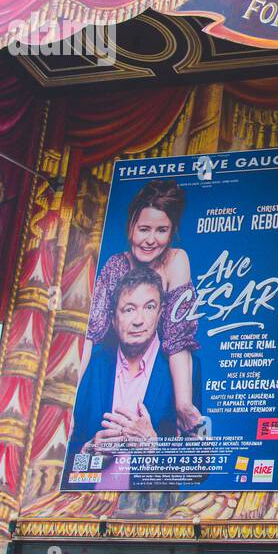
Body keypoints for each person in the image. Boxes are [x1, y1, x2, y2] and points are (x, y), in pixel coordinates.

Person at [86, 180, 203, 432]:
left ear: (172, 232)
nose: (151, 240)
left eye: (161, 230)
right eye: (144, 229)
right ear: (131, 227)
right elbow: (90, 333)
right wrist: (69, 400)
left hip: (159, 375)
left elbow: (177, 336)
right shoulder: (115, 265)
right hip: (115, 371)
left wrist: (184, 404)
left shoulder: (176, 260)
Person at [66, 266, 178, 489]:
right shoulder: (91, 364)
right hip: (85, 512)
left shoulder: (180, 369)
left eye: (149, 307)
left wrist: (153, 449)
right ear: (113, 318)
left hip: (148, 515)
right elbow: (62, 463)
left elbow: (200, 468)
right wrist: (89, 454)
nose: (139, 320)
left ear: (161, 312)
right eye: (128, 310)